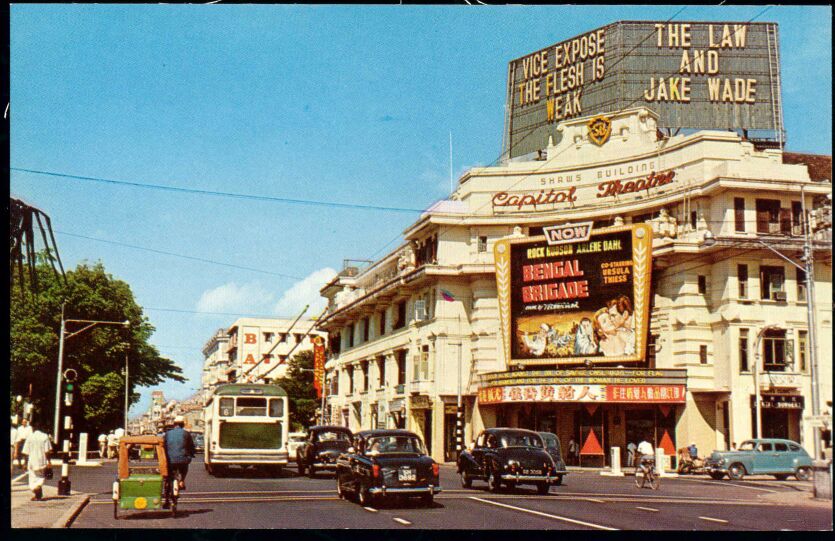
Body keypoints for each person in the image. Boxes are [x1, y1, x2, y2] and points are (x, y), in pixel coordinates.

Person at [163, 415, 195, 508]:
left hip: (170, 460)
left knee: (168, 478)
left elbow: (163, 446)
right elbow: (191, 447)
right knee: (185, 466)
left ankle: (166, 500)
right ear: (183, 424)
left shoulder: (168, 434)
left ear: (174, 425)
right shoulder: (186, 434)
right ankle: (182, 480)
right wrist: (191, 454)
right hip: (183, 460)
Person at [21, 425, 52, 501]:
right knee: (41, 476)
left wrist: (25, 463)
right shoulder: (45, 436)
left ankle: (36, 490)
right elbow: (47, 451)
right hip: (42, 460)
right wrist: (49, 461)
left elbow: (26, 452)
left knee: (32, 477)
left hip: (32, 460)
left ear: (33, 428)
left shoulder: (30, 437)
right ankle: (38, 488)